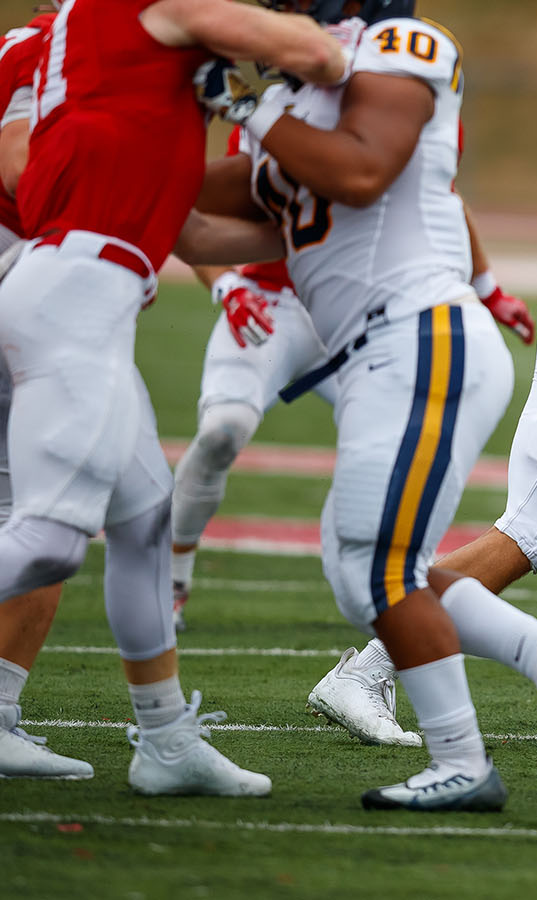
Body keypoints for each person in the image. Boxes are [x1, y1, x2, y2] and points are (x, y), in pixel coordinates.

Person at [176, 0, 537, 810]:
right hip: (387, 351)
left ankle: (463, 762)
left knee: (376, 569)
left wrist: (247, 103)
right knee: (361, 574)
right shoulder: (303, 112)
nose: (270, 22)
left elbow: (362, 171)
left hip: (420, 335)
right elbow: (202, 231)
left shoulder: (394, 49)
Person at [0, 0, 345, 795]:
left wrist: (331, 229)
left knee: (146, 523)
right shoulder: (155, 11)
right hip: (74, 287)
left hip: (87, 285)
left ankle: (164, 740)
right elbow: (319, 55)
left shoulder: (124, 60)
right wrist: (250, 96)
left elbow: (190, 234)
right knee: (49, 541)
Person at [171, 129, 536, 639]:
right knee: (223, 428)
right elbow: (192, 216)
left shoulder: (385, 104)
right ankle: (171, 577)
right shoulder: (275, 116)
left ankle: (406, 577)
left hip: (356, 314)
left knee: (402, 441)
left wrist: (487, 288)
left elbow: (442, 193)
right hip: (271, 301)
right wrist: (228, 284)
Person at [0, 8, 93, 781]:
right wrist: (69, 247)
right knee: (48, 510)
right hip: (26, 260)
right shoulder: (56, 43)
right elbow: (17, 158)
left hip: (36, 259)